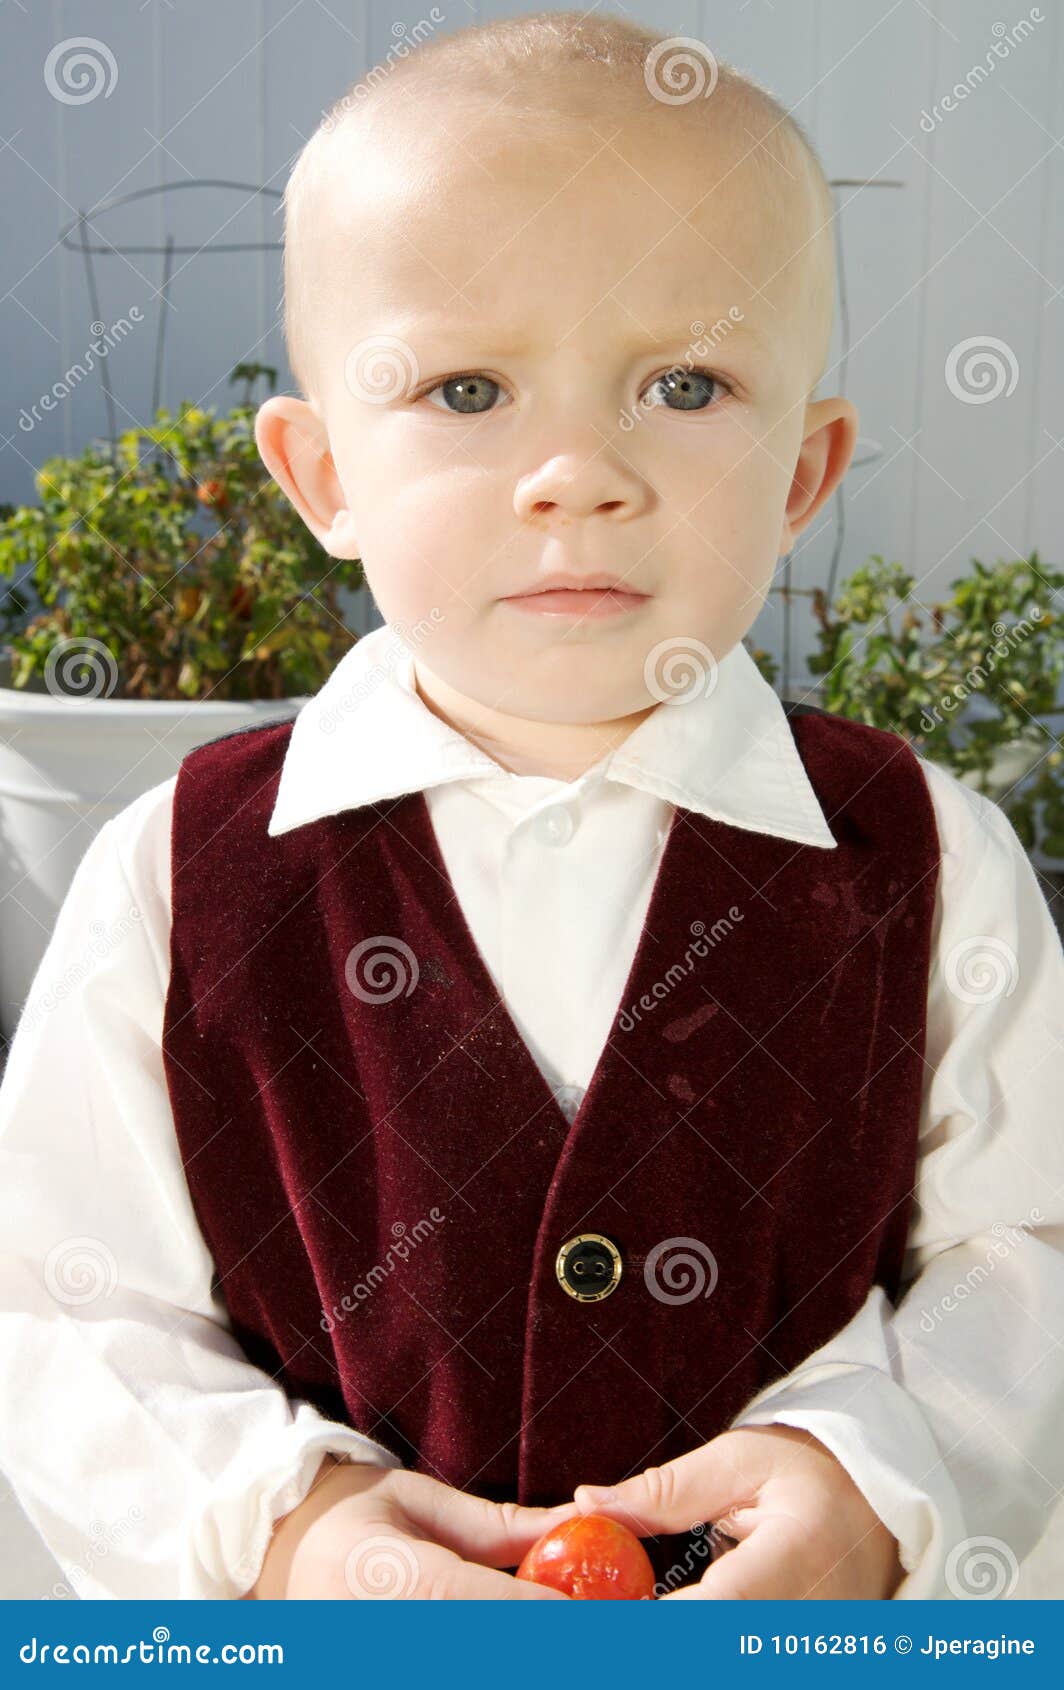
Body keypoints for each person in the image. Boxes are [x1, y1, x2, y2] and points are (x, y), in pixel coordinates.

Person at [1, 10, 1062, 1602]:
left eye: (686, 383)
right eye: (468, 386)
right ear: (321, 475)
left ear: (802, 472)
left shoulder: (921, 857)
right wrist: (293, 1527)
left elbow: (1027, 1247)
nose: (575, 470)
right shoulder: (177, 871)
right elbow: (66, 1309)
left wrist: (880, 1472)